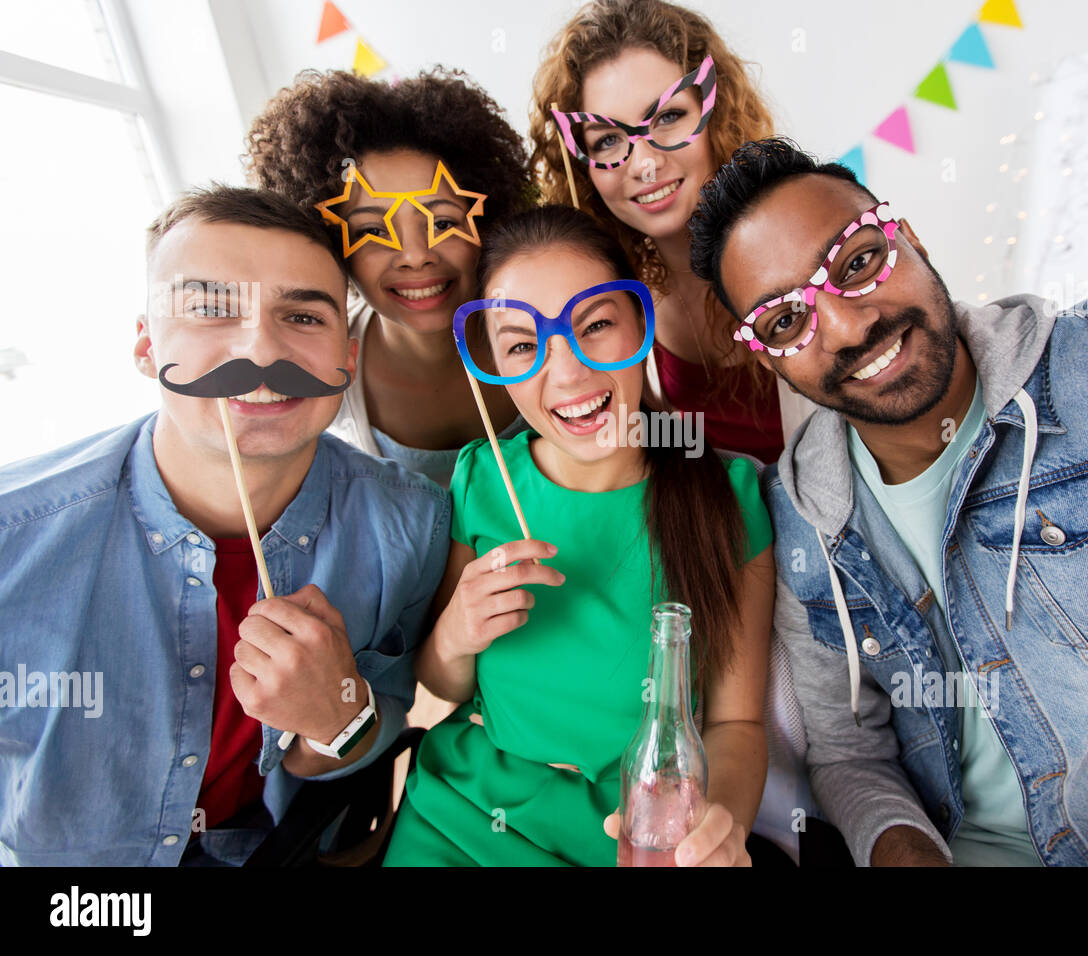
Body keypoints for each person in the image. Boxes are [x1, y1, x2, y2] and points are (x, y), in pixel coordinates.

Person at [688, 137, 1088, 866]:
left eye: (857, 263)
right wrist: (904, 849)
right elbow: (851, 753)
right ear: (767, 356)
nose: (850, 327)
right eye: (787, 321)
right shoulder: (799, 513)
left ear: (906, 239)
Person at [0, 186, 450, 865]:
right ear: (148, 346)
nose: (261, 349)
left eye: (301, 315)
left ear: (347, 356)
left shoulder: (414, 522)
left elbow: (384, 717)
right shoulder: (15, 534)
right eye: (211, 309)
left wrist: (336, 716)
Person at [381, 205, 775, 866]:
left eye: (595, 326)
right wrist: (455, 632)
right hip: (458, 822)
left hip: (631, 843)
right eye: (521, 345)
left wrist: (713, 830)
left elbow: (737, 724)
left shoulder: (727, 495)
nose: (566, 374)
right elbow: (438, 689)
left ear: (641, 322)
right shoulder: (481, 480)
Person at [531, 0, 811, 465]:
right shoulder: (608, 302)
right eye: (608, 140)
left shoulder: (806, 247)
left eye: (667, 117)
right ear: (583, 169)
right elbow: (651, 446)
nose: (644, 163)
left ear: (714, 114)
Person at [246, 68, 534, 488]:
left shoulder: (551, 327)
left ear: (487, 222)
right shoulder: (319, 376)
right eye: (371, 231)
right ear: (329, 244)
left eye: (443, 222)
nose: (415, 256)